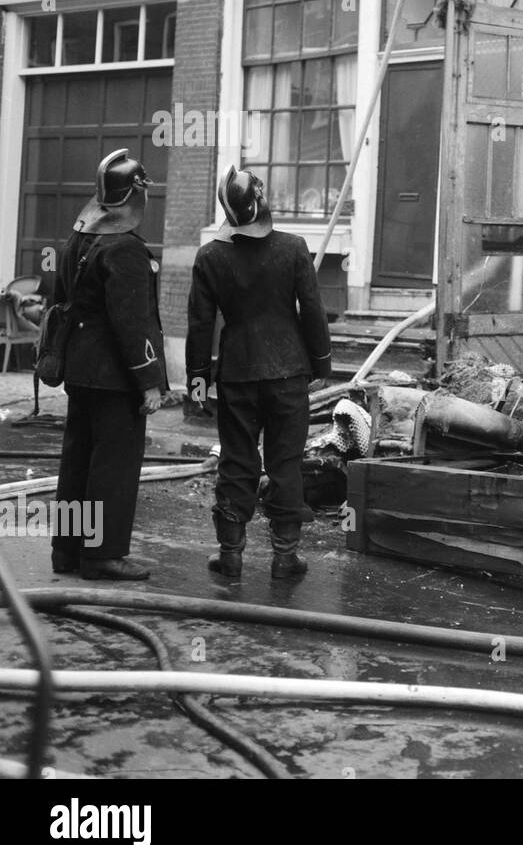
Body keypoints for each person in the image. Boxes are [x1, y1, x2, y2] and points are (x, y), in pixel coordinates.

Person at [186, 166, 332, 581]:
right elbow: (313, 312)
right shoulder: (293, 248)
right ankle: (285, 557)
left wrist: (198, 380)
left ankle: (230, 554)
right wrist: (321, 364)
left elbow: (199, 324)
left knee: (236, 462)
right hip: (288, 374)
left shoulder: (210, 256)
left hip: (237, 374)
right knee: (286, 463)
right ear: (262, 201)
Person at [52, 149, 167, 581]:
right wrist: (150, 383)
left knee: (76, 461)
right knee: (112, 468)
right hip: (116, 378)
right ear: (135, 196)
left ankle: (66, 552)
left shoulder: (77, 239)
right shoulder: (127, 251)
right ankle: (101, 555)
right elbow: (132, 323)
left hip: (79, 373)